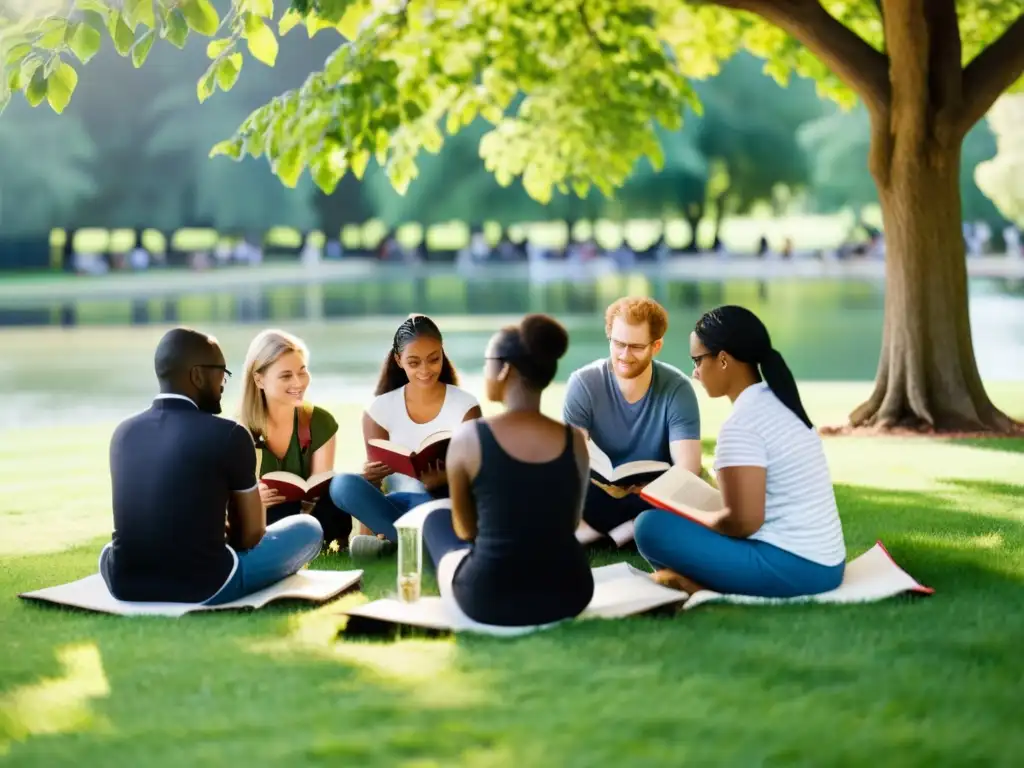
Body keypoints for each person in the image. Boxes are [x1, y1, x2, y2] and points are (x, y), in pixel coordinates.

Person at [634, 306, 846, 598]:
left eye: (697, 360)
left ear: (722, 360)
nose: (694, 373)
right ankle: (691, 582)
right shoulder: (781, 405)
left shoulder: (742, 426)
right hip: (827, 565)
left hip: (794, 569)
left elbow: (743, 524)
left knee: (650, 526)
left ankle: (693, 586)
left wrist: (698, 516)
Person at [100, 328, 323, 604]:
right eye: (221, 371)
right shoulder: (230, 434)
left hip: (124, 582)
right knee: (309, 529)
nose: (223, 381)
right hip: (207, 584)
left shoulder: (123, 433)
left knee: (117, 547)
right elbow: (250, 536)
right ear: (197, 375)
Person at [421, 314, 594, 629]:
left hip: (488, 599)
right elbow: (569, 523)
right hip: (570, 593)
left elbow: (465, 531)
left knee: (434, 521)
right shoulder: (576, 440)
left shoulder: (470, 437)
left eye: (488, 361)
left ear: (504, 369)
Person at [329, 314, 482, 556]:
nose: (425, 370)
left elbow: (477, 474)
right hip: (399, 504)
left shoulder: (465, 405)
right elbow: (375, 491)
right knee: (343, 484)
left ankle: (398, 543)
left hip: (447, 503)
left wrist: (443, 480)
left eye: (434, 359)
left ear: (442, 352)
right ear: (399, 360)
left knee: (434, 506)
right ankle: (418, 542)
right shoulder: (379, 409)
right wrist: (370, 477)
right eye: (414, 362)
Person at [562, 296, 702, 547]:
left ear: (656, 346)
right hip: (597, 494)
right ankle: (627, 530)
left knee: (691, 492)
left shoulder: (677, 388)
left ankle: (605, 532)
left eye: (636, 346)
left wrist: (651, 489)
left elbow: (688, 467)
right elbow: (572, 461)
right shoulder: (583, 383)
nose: (624, 355)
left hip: (652, 494)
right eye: (618, 344)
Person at [238, 329, 350, 549]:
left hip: (315, 516)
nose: (298, 383)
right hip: (264, 520)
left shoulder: (320, 421)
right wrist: (251, 500)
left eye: (302, 371)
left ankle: (312, 540)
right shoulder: (238, 431)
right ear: (259, 380)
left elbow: (319, 488)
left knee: (336, 493)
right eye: (286, 376)